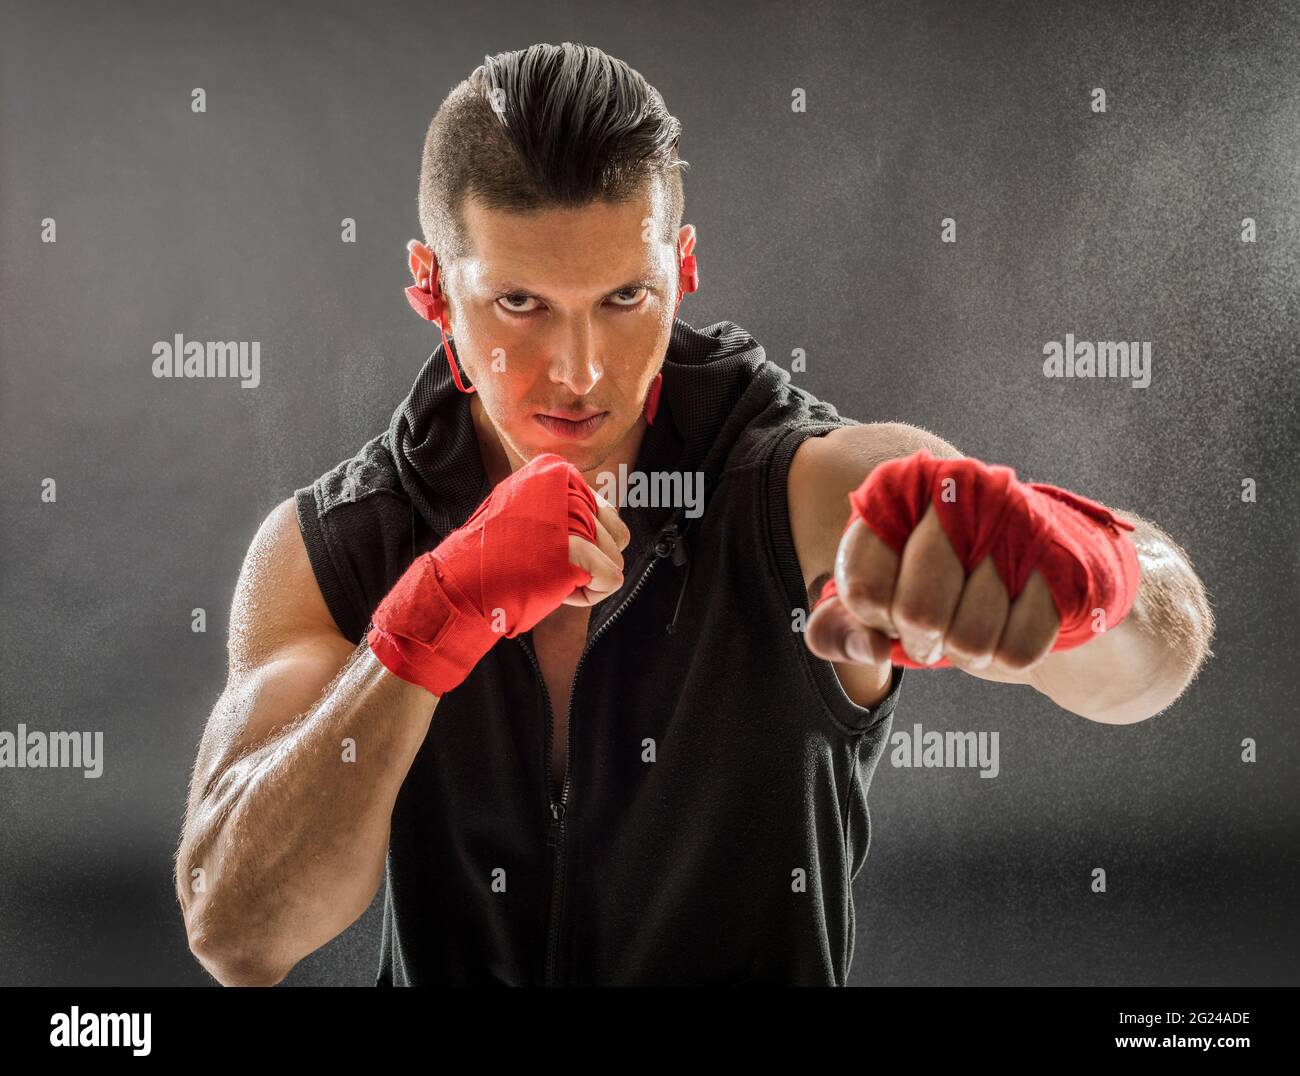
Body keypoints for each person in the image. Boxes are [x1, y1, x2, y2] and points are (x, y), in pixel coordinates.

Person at [175, 42, 1214, 987]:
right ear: (434, 290)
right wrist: (426, 620)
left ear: (682, 271)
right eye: (519, 304)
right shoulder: (340, 545)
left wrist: (1088, 571)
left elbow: (1148, 668)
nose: (577, 372)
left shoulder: (800, 489)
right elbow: (238, 929)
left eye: (624, 299)